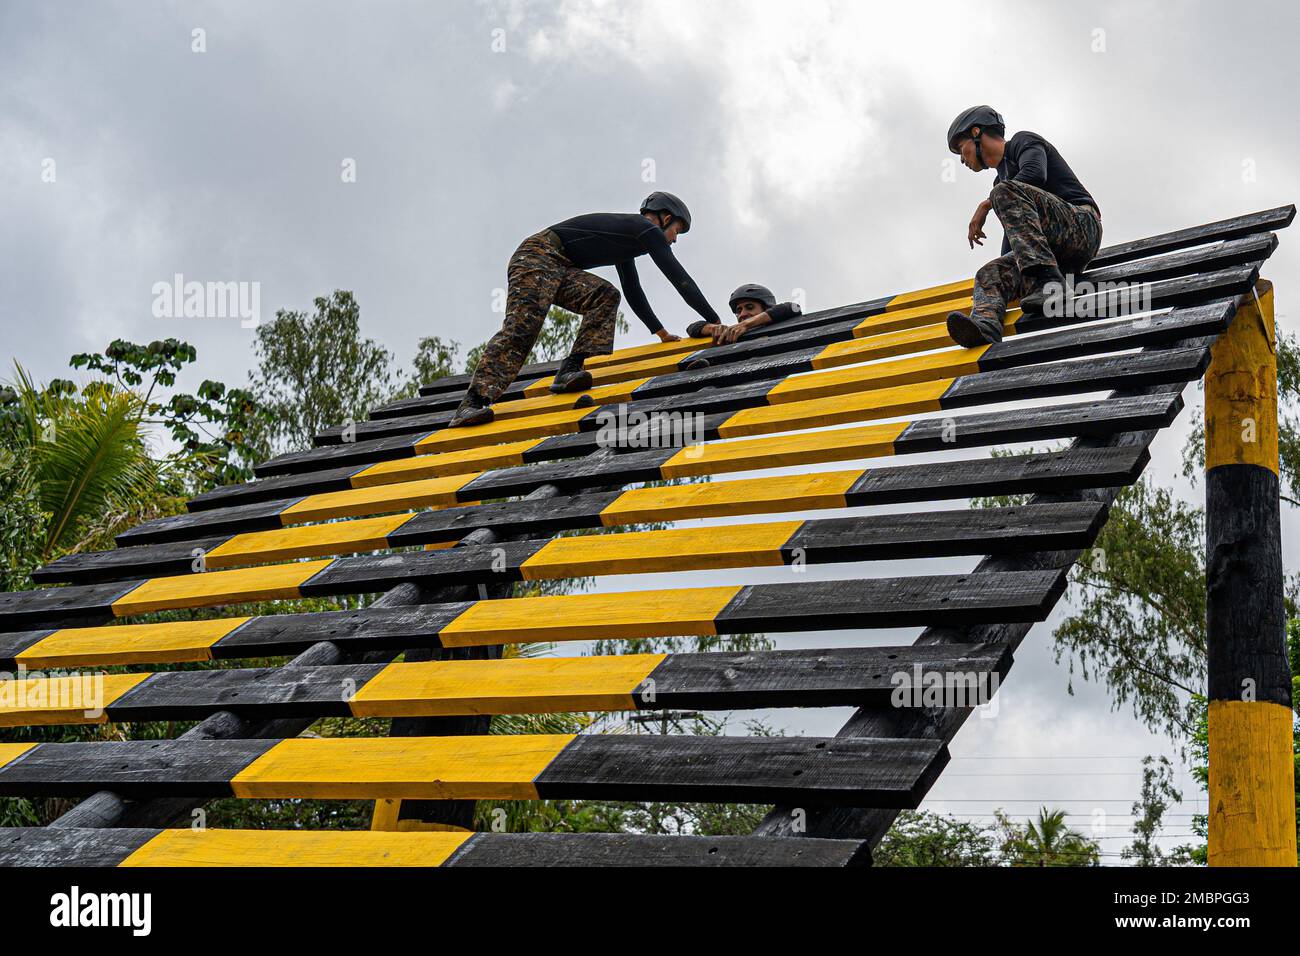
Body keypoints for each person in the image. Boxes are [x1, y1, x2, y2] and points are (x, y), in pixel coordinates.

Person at [449, 192, 722, 427]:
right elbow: (679, 278)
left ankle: (569, 370)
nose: (674, 239)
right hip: (538, 256)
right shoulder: (646, 230)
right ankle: (473, 402)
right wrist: (715, 320)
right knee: (523, 329)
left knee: (604, 295)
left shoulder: (631, 240)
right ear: (664, 217)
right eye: (677, 229)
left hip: (560, 266)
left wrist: (660, 332)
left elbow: (632, 291)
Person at [944, 106, 1102, 347]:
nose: (962, 159)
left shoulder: (1021, 142)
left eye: (961, 149)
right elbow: (1017, 241)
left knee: (1003, 191)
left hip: (1082, 228)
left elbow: (1035, 173)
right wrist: (1007, 272)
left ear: (976, 132)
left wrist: (986, 205)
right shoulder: (1003, 184)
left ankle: (1051, 285)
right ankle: (985, 328)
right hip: (1054, 258)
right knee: (990, 273)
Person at [679, 284, 803, 369]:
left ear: (767, 309)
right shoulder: (733, 333)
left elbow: (793, 308)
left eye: (750, 307)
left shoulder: (776, 325)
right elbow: (692, 328)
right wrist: (714, 329)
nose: (742, 314)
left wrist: (747, 324)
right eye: (739, 310)